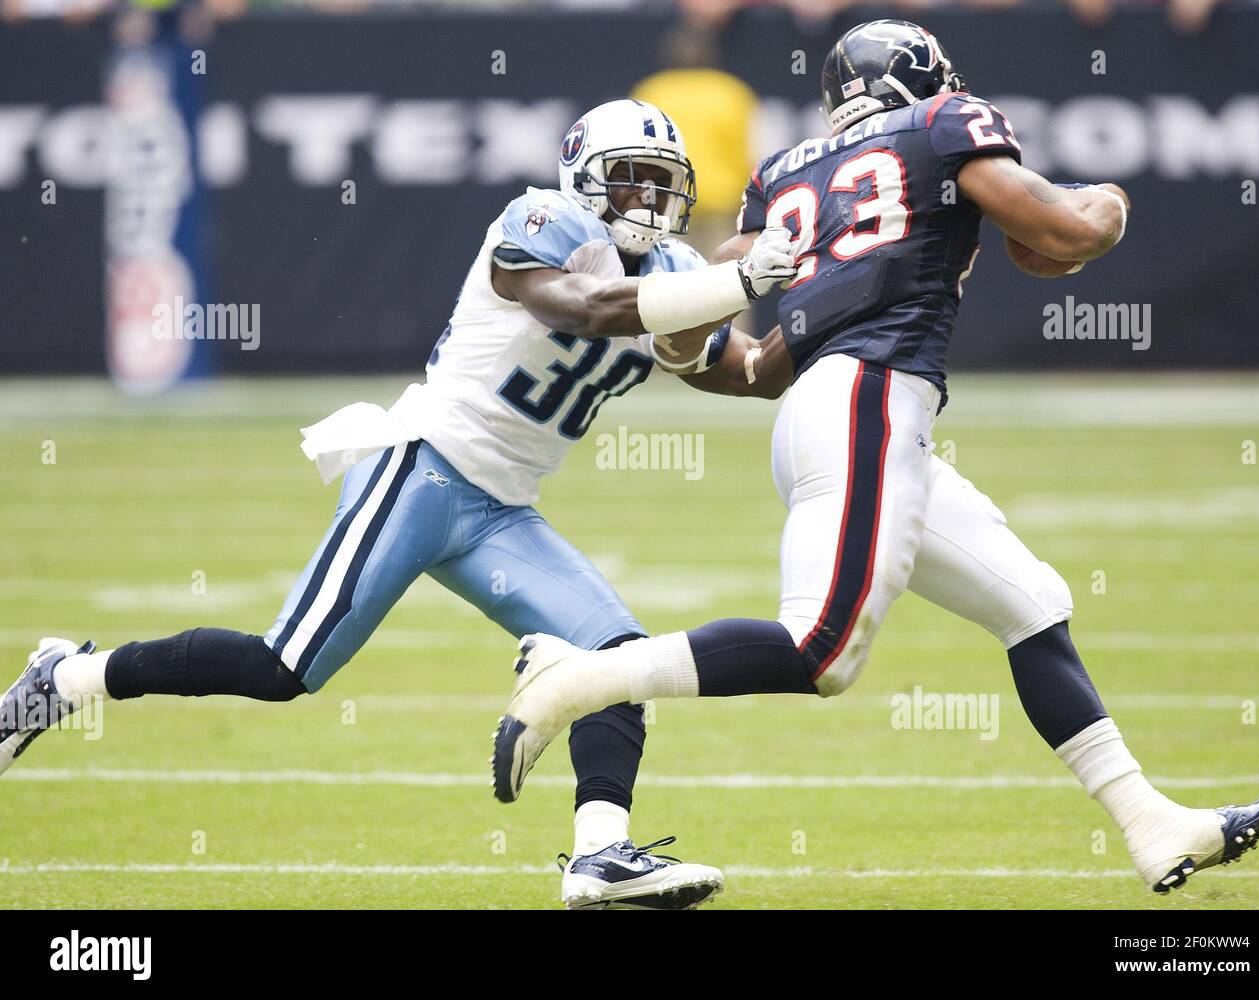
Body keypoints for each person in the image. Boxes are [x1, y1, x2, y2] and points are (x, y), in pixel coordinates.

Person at [489, 21, 1259, 895]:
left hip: (833, 409)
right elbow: (1064, 230)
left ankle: (1153, 826)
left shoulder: (791, 173)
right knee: (822, 652)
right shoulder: (944, 124)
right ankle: (579, 678)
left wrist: (683, 344)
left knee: (1032, 603)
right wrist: (1114, 202)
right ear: (924, 78)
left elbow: (742, 360)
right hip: (869, 403)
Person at [0, 98, 798, 910]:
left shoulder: (669, 275)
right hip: (422, 468)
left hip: (503, 507)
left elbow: (750, 371)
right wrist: (735, 277)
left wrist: (836, 311)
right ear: (586, 177)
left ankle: (599, 856)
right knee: (284, 668)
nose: (650, 201)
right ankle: (67, 677)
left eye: (663, 184)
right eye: (631, 180)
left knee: (613, 660)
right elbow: (581, 309)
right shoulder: (541, 219)